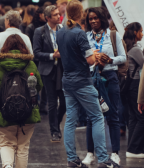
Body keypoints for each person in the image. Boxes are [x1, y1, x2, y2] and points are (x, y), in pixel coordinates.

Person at [57, 1, 120, 167]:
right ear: (81, 14)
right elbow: (90, 60)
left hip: (67, 82)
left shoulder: (60, 33)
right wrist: (93, 53)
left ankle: (72, 159)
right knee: (97, 117)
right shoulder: (79, 33)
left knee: (70, 120)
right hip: (82, 82)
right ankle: (103, 160)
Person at [0, 34, 43, 168]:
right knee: (23, 147)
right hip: (28, 111)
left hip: (5, 111)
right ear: (23, 47)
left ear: (5, 47)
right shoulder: (30, 64)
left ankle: (7, 165)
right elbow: (39, 86)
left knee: (6, 143)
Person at [82, 7, 127, 165]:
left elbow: (123, 57)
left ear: (101, 18)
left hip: (110, 77)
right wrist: (92, 58)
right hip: (92, 78)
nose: (93, 21)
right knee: (91, 117)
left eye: (95, 18)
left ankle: (115, 153)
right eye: (90, 19)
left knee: (113, 116)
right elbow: (81, 59)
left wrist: (109, 60)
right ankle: (90, 153)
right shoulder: (86, 37)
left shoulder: (113, 35)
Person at [33, 5, 66, 142]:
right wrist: (53, 55)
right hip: (47, 70)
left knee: (64, 102)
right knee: (52, 102)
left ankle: (56, 124)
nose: (59, 17)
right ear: (47, 18)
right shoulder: (39, 31)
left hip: (63, 70)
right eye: (55, 15)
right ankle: (54, 131)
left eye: (58, 14)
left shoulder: (64, 30)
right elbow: (36, 53)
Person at [123, 22, 144, 158]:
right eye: (141, 31)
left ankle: (132, 147)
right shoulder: (135, 50)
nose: (142, 34)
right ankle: (134, 149)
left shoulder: (127, 47)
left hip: (128, 86)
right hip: (136, 84)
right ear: (135, 32)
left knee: (133, 117)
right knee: (141, 117)